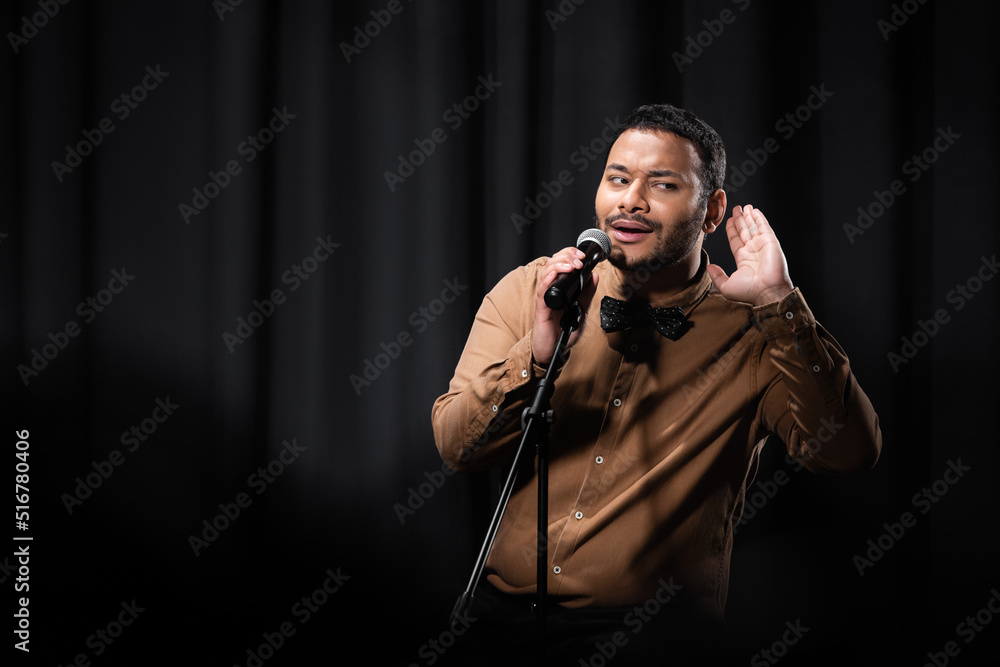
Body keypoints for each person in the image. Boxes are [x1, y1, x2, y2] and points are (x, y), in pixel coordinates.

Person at [430, 103, 881, 665]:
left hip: (651, 640)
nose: (631, 201)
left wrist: (778, 302)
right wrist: (538, 355)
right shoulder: (532, 292)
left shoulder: (759, 333)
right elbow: (457, 447)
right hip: (495, 620)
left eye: (662, 184)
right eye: (618, 179)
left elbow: (848, 454)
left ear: (712, 211)